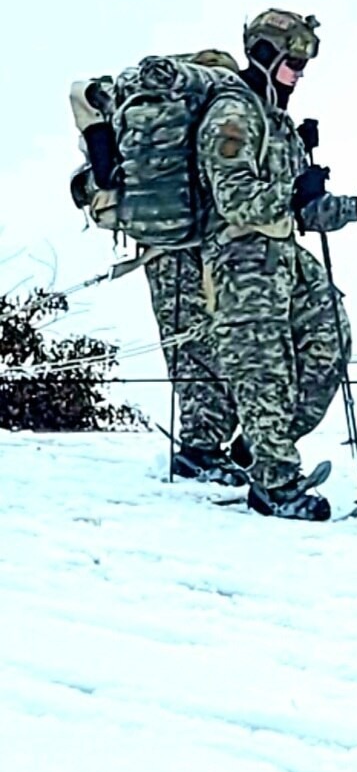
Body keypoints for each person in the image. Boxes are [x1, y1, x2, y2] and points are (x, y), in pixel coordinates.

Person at [194, 8, 357, 521]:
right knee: (264, 369)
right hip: (242, 258)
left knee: (331, 343)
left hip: (285, 255)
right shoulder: (232, 114)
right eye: (294, 62)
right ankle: (275, 483)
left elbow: (305, 211)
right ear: (265, 54)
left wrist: (354, 206)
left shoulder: (276, 121)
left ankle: (263, 444)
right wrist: (291, 192)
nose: (300, 73)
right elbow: (234, 198)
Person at [68, 51, 248, 484]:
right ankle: (199, 451)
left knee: (197, 342)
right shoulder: (204, 112)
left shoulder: (144, 110)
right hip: (190, 244)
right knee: (198, 345)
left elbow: (83, 94)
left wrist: (98, 142)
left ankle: (213, 445)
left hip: (165, 245)